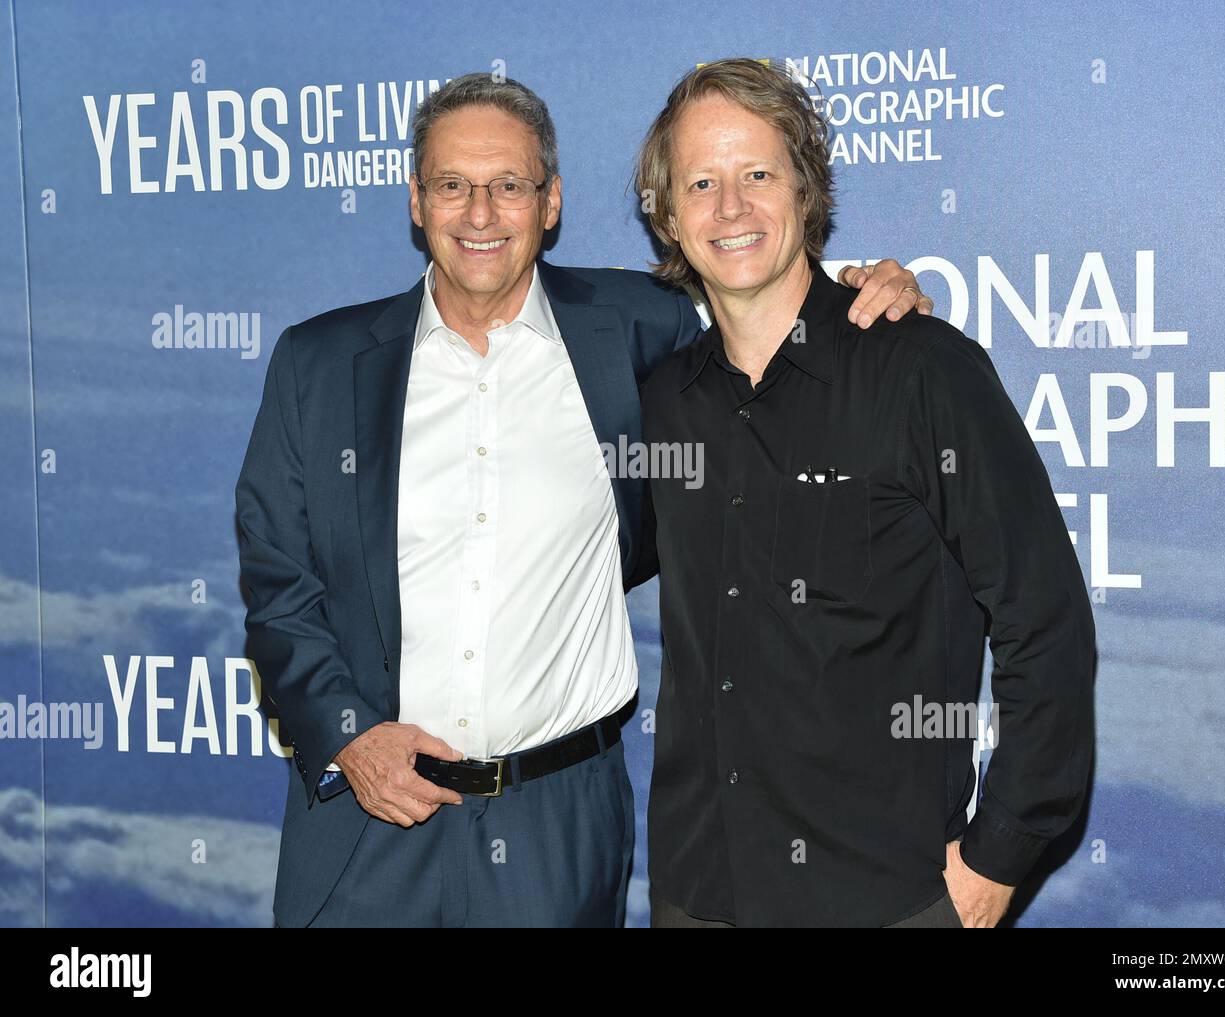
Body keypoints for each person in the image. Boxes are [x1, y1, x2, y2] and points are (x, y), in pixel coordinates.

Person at [235, 71, 930, 927]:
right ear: (418, 201)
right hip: (368, 824)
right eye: (453, 185)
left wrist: (862, 299)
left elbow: (768, 319)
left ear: (551, 201)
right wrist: (348, 735)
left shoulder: (640, 328)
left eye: (509, 186)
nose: (480, 214)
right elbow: (278, 583)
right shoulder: (318, 365)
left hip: (555, 829)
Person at [635, 58, 1096, 928]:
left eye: (758, 175)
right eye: (701, 182)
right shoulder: (665, 401)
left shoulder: (922, 371)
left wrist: (999, 852)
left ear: (806, 193)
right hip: (700, 892)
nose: (730, 208)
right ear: (667, 216)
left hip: (890, 899)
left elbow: (1047, 620)